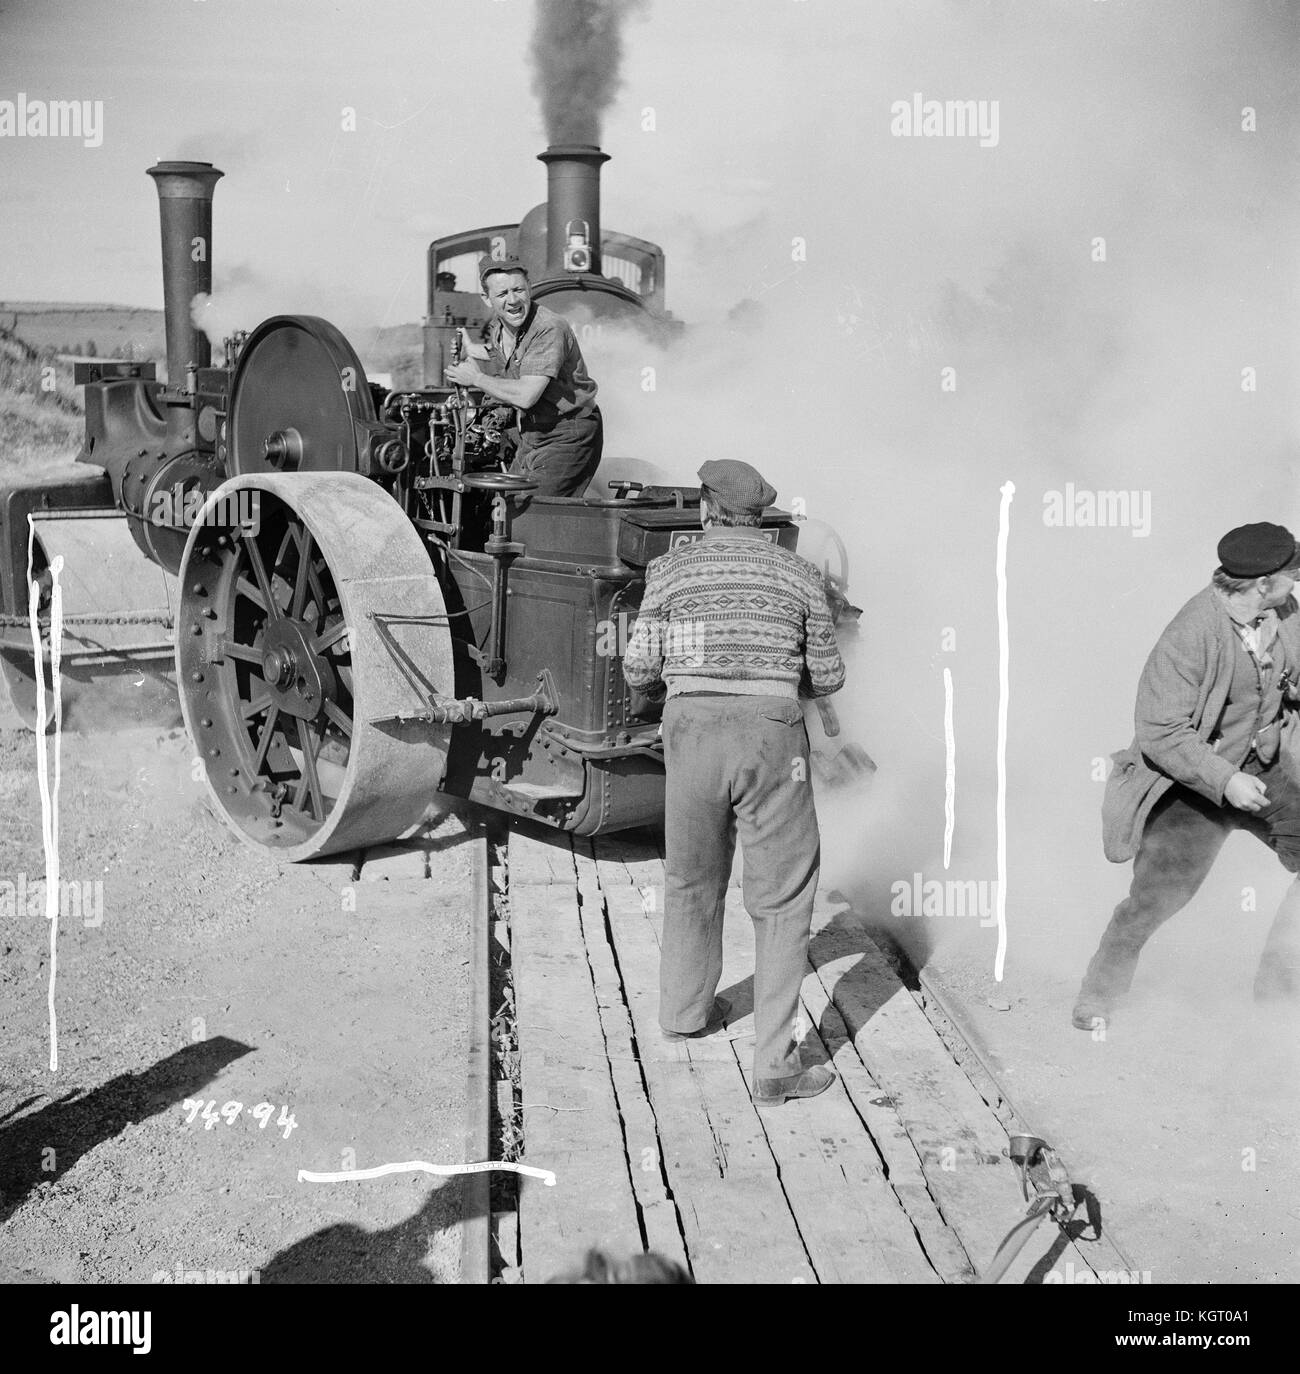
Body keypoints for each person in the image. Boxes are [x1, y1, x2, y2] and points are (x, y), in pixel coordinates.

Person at [623, 460, 847, 1106]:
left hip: (691, 730)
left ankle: (684, 1012)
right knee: (781, 898)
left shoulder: (671, 571)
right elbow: (828, 678)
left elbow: (640, 666)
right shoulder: (798, 573)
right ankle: (776, 1064)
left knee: (692, 878)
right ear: (762, 518)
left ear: (704, 510)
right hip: (772, 734)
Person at [1076, 521, 1300, 1029]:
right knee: (1155, 900)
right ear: (1262, 583)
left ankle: (1279, 997)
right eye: (1292, 575)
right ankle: (1098, 996)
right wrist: (1225, 780)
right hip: (1192, 784)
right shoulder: (1191, 632)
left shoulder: (1282, 610)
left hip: (1263, 769)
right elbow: (1159, 730)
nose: (1297, 584)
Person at [444, 257, 602, 498]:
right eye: (502, 293)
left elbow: (527, 395)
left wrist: (475, 378)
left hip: (569, 434)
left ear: (529, 289)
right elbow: (507, 354)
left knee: (530, 509)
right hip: (533, 432)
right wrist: (471, 350)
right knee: (504, 502)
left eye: (518, 290)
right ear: (488, 299)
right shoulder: (501, 326)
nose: (513, 300)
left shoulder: (548, 328)